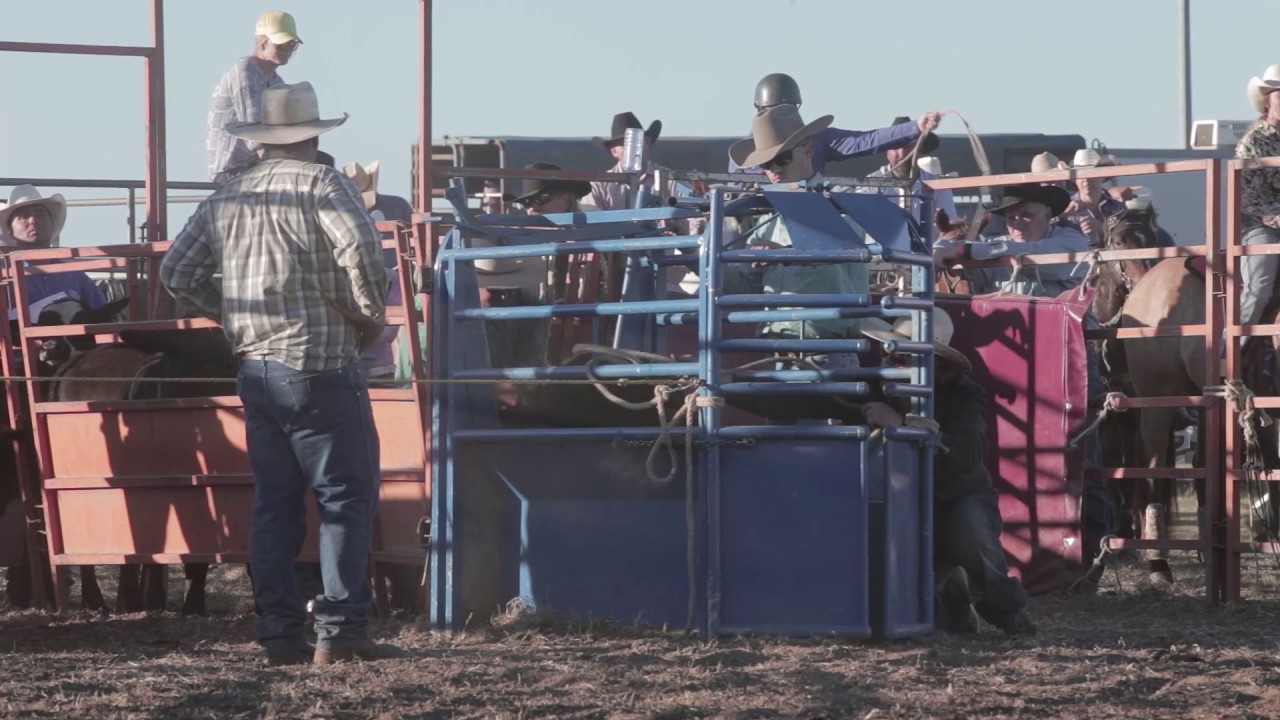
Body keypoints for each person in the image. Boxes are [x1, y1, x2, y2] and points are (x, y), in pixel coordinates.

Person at [161, 81, 401, 666]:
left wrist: (230, 312)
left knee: (275, 503)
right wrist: (367, 316)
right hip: (322, 364)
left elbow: (176, 272)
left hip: (258, 368)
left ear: (262, 141)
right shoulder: (324, 184)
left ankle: (280, 634)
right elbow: (362, 252)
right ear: (313, 136)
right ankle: (340, 631)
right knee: (344, 499)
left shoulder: (227, 196)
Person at [861, 308, 1036, 637]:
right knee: (930, 611)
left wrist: (902, 425)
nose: (890, 361)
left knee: (973, 536)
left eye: (901, 356)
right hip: (899, 504)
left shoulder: (964, 395)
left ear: (937, 366)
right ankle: (952, 597)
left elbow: (966, 455)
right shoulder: (872, 389)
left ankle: (1008, 612)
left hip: (956, 497)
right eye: (889, 352)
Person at [720, 105, 868, 363]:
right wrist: (693, 251)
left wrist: (782, 254)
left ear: (807, 150)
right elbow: (746, 285)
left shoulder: (841, 203)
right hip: (776, 354)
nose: (774, 169)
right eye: (767, 163)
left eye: (783, 158)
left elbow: (838, 251)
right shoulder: (766, 219)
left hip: (825, 353)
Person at [728, 73, 943, 175]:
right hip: (761, 231)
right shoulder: (746, 156)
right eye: (767, 165)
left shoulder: (817, 140)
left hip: (805, 219)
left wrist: (915, 127)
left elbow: (866, 141)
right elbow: (734, 197)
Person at [934, 183, 1088, 297]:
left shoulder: (1073, 242)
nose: (1018, 224)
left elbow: (1030, 253)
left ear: (1047, 215)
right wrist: (941, 249)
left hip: (1065, 330)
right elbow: (974, 254)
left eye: (1026, 215)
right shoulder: (995, 247)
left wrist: (962, 251)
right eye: (1011, 218)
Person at [206, 11, 301, 184]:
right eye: (281, 44)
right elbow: (255, 134)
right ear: (262, 43)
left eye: (291, 44)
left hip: (256, 168)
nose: (287, 49)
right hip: (231, 172)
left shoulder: (277, 83)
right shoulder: (244, 71)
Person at [0, 185, 108, 314]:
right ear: (10, 230)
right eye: (24, 216)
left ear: (52, 224)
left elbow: (103, 315)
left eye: (40, 215)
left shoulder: (74, 275)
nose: (33, 220)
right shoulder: (3, 273)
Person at [1237, 64, 1280, 327]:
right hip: (1260, 226)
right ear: (1267, 101)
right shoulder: (1253, 142)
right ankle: (1232, 345)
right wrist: (1275, 218)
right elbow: (1248, 199)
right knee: (1260, 286)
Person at [856, 116, 957, 226]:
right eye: (895, 146)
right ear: (887, 152)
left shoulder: (938, 187)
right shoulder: (870, 185)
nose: (901, 153)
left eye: (908, 146)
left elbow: (949, 227)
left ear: (919, 149)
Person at [586, 112, 682, 211]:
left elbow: (691, 215)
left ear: (648, 143)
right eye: (625, 143)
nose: (632, 148)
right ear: (614, 151)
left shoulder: (671, 180)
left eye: (638, 141)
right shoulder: (598, 186)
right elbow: (589, 218)